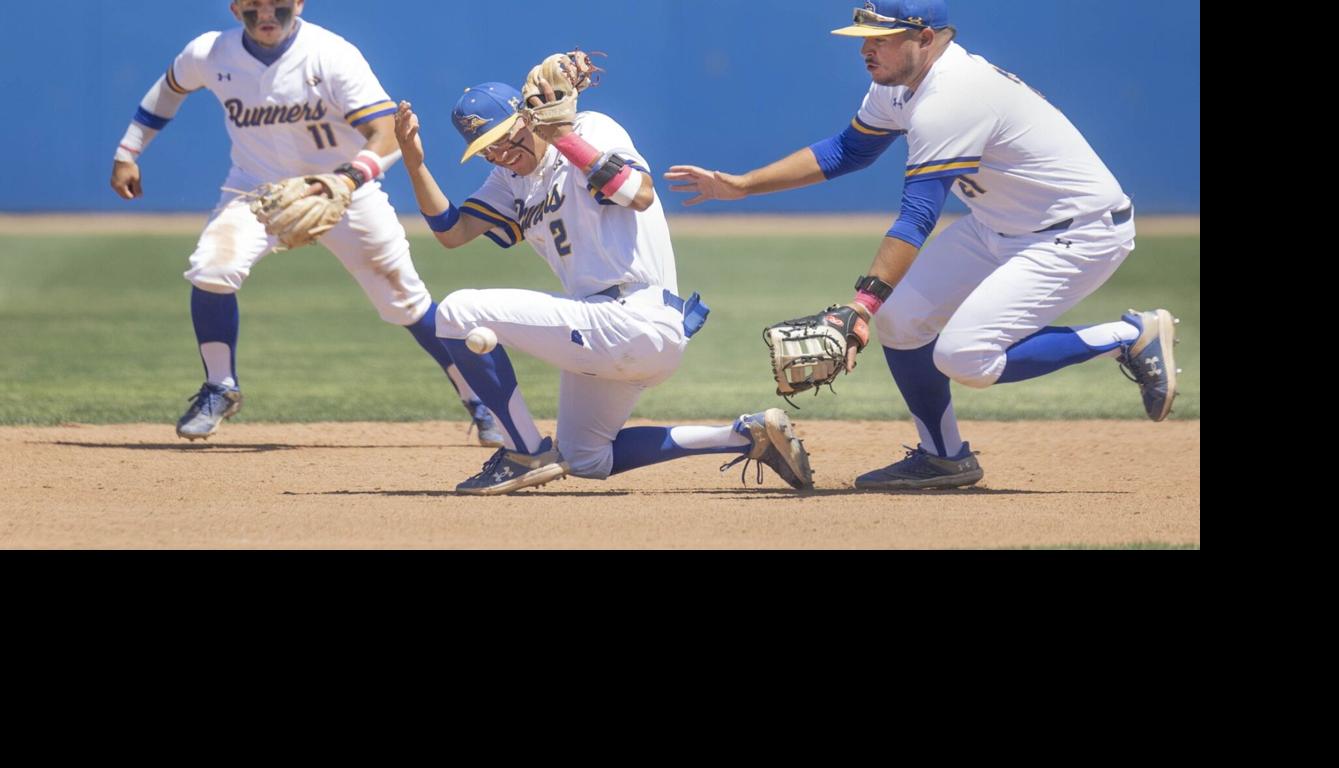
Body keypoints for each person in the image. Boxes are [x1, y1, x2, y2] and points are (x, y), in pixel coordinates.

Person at [666, 0, 1180, 491]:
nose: (867, 50)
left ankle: (1126, 335)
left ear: (925, 38)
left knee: (965, 356)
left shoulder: (952, 97)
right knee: (900, 322)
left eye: (882, 39)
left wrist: (862, 303)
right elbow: (848, 150)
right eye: (864, 38)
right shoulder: (899, 83)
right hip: (997, 225)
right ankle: (944, 457)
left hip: (1078, 232)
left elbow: (917, 217)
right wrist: (741, 184)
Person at [392, 58, 813, 495]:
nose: (499, 154)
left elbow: (639, 193)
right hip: (603, 326)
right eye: (486, 149)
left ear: (526, 118)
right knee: (585, 457)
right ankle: (747, 436)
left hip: (635, 315)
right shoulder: (509, 179)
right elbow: (453, 233)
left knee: (459, 311)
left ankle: (523, 453)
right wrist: (414, 163)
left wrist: (563, 137)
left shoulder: (589, 129)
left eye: (503, 138)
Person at [109, 0, 505, 445]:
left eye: (278, 6)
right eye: (253, 7)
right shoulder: (210, 53)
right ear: (235, 6)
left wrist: (349, 178)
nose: (265, 16)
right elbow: (168, 89)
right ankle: (220, 386)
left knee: (406, 303)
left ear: (298, 3)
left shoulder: (330, 54)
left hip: (345, 189)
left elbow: (388, 133)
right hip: (256, 188)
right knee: (212, 269)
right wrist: (129, 150)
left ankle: (481, 400)